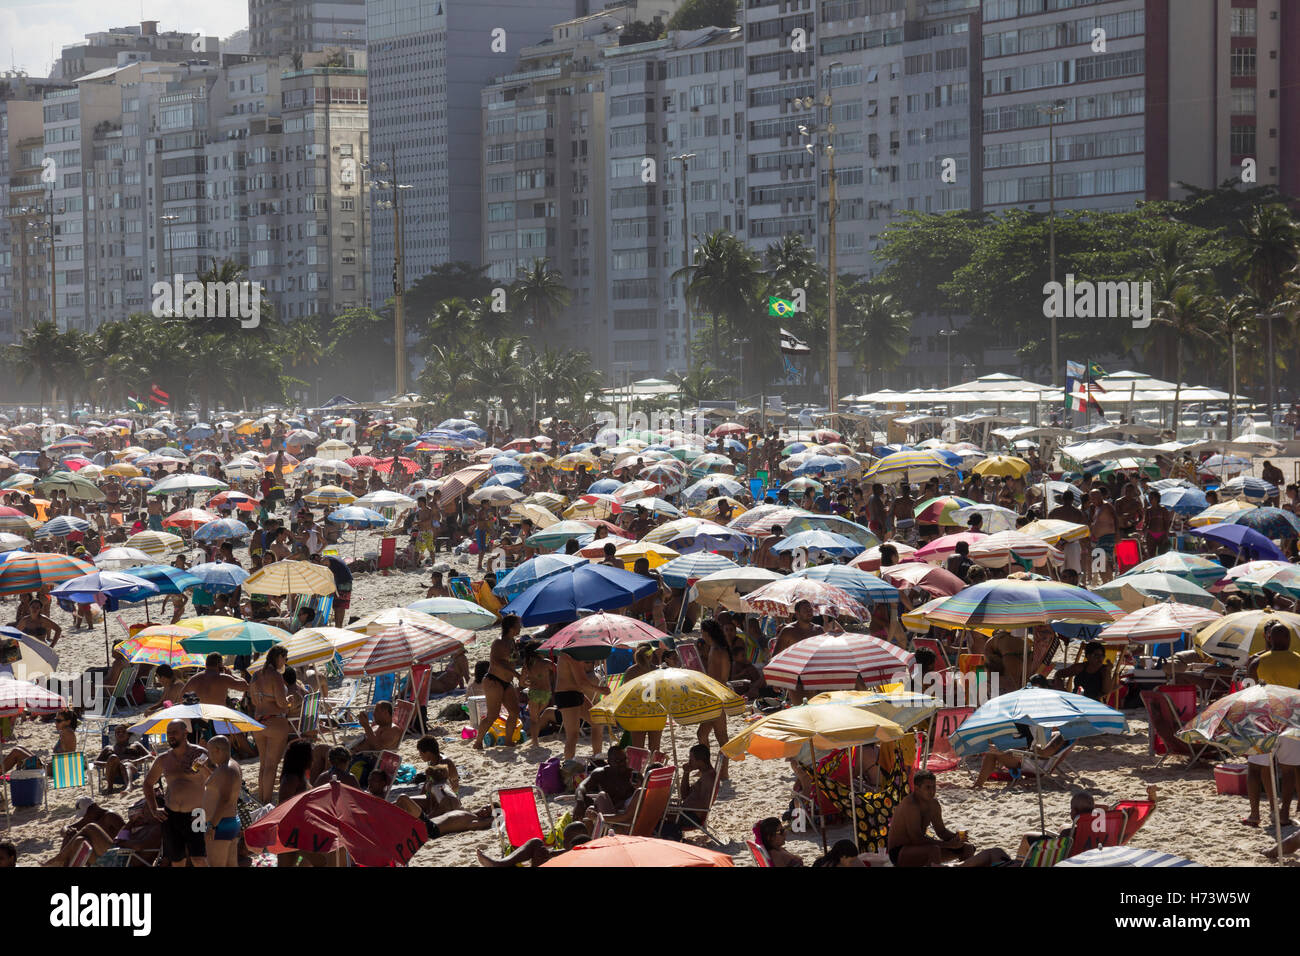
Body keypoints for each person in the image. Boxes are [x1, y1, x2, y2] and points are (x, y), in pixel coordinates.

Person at [887, 771, 1008, 866]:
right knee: (933, 850)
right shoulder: (910, 804)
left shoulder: (933, 804)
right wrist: (948, 845)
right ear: (917, 789)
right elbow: (916, 839)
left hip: (921, 848)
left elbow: (941, 831)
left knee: (967, 848)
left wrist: (956, 839)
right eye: (927, 787)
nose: (932, 791)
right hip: (900, 852)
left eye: (934, 787)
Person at [141, 719, 211, 867]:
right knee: (176, 860)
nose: (170, 736)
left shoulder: (200, 753)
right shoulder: (163, 759)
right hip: (170, 815)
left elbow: (215, 779)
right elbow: (147, 783)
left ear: (185, 733)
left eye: (174, 732)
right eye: (168, 733)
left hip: (196, 814)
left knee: (199, 858)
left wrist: (203, 768)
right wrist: (154, 809)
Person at [248, 643, 293, 803]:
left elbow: (253, 700)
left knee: (263, 764)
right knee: (271, 765)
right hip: (274, 721)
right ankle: (266, 802)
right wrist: (289, 702)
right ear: (279, 657)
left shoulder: (255, 675)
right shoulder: (276, 676)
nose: (285, 663)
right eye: (285, 659)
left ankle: (261, 800)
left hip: (258, 721)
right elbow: (281, 703)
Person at [474, 614, 522, 751]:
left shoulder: (512, 642)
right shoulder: (499, 642)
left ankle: (508, 741)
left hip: (507, 682)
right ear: (512, 627)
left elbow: (511, 661)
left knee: (514, 711)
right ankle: (478, 742)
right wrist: (516, 674)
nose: (520, 627)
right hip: (493, 681)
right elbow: (497, 662)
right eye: (518, 624)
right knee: (492, 715)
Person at [556, 648, 609, 761]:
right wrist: (601, 690)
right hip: (567, 695)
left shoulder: (572, 654)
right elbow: (582, 682)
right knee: (573, 735)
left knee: (597, 721)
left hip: (576, 693)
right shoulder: (571, 655)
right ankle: (568, 764)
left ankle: (597, 757)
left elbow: (582, 681)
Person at [973, 726, 1068, 788]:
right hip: (1030, 759)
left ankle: (978, 785)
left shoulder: (1060, 736)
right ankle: (983, 779)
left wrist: (1033, 746)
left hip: (1033, 764)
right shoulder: (1055, 733)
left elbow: (1044, 753)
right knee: (997, 749)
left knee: (992, 754)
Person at [201, 735, 242, 868]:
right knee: (231, 864)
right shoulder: (231, 765)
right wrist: (204, 770)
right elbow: (217, 785)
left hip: (220, 823)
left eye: (210, 751)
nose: (209, 756)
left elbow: (224, 799)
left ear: (218, 750)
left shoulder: (225, 769)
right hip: (230, 821)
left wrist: (212, 825)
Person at [476, 821, 591, 867]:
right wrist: (549, 853)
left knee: (538, 846)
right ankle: (500, 863)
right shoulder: (573, 851)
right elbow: (565, 853)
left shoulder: (585, 854)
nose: (563, 841)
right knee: (536, 843)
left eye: (566, 839)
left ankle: (500, 864)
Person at [575, 745, 639, 817]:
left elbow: (643, 798)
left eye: (625, 759)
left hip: (625, 815)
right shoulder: (601, 773)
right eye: (618, 761)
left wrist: (639, 788)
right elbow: (582, 786)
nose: (623, 763)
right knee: (586, 801)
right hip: (606, 811)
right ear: (609, 762)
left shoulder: (633, 775)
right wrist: (579, 801)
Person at [94, 724, 151, 793]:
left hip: (131, 770)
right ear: (115, 735)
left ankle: (129, 786)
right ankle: (110, 788)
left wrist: (134, 761)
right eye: (118, 732)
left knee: (126, 764)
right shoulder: (108, 748)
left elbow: (150, 756)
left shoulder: (136, 745)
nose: (120, 733)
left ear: (128, 735)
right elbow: (96, 762)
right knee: (113, 757)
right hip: (114, 773)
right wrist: (108, 764)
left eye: (123, 732)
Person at [520, 642, 556, 748]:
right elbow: (558, 670)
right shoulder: (547, 662)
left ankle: (535, 741)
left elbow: (521, 683)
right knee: (538, 717)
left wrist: (529, 682)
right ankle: (534, 739)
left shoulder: (527, 665)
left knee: (534, 719)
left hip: (534, 694)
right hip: (546, 694)